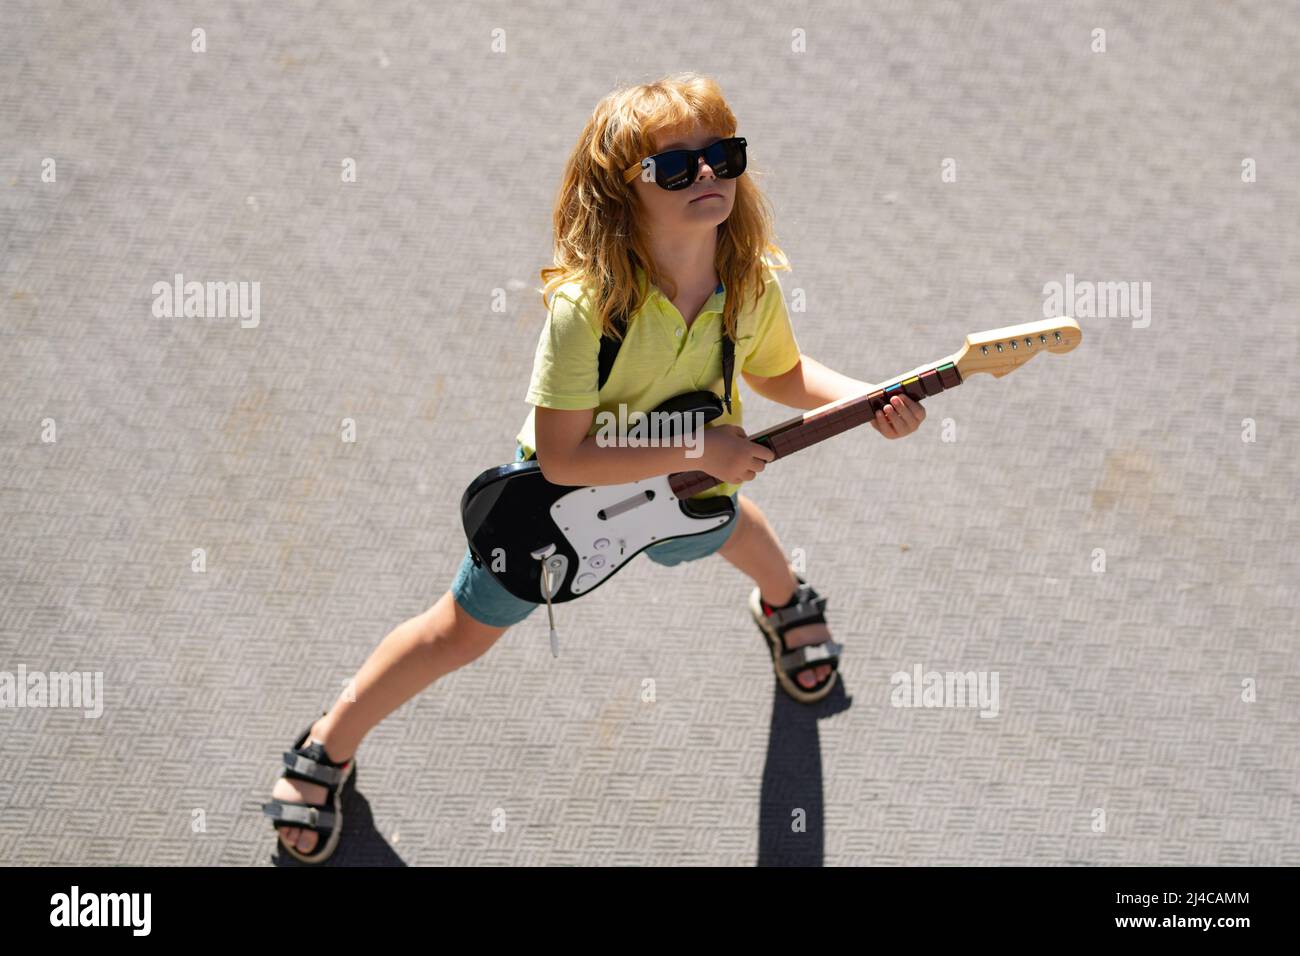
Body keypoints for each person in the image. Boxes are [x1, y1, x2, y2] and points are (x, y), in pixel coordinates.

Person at [262, 71, 926, 863]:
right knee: (457, 635)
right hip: (559, 509)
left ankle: (784, 603)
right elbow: (562, 456)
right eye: (676, 167)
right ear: (622, 193)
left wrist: (869, 398)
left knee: (722, 528)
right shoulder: (588, 308)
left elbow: (779, 373)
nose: (707, 173)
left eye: (723, 155)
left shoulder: (746, 284)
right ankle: (328, 744)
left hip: (687, 487)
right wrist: (700, 449)